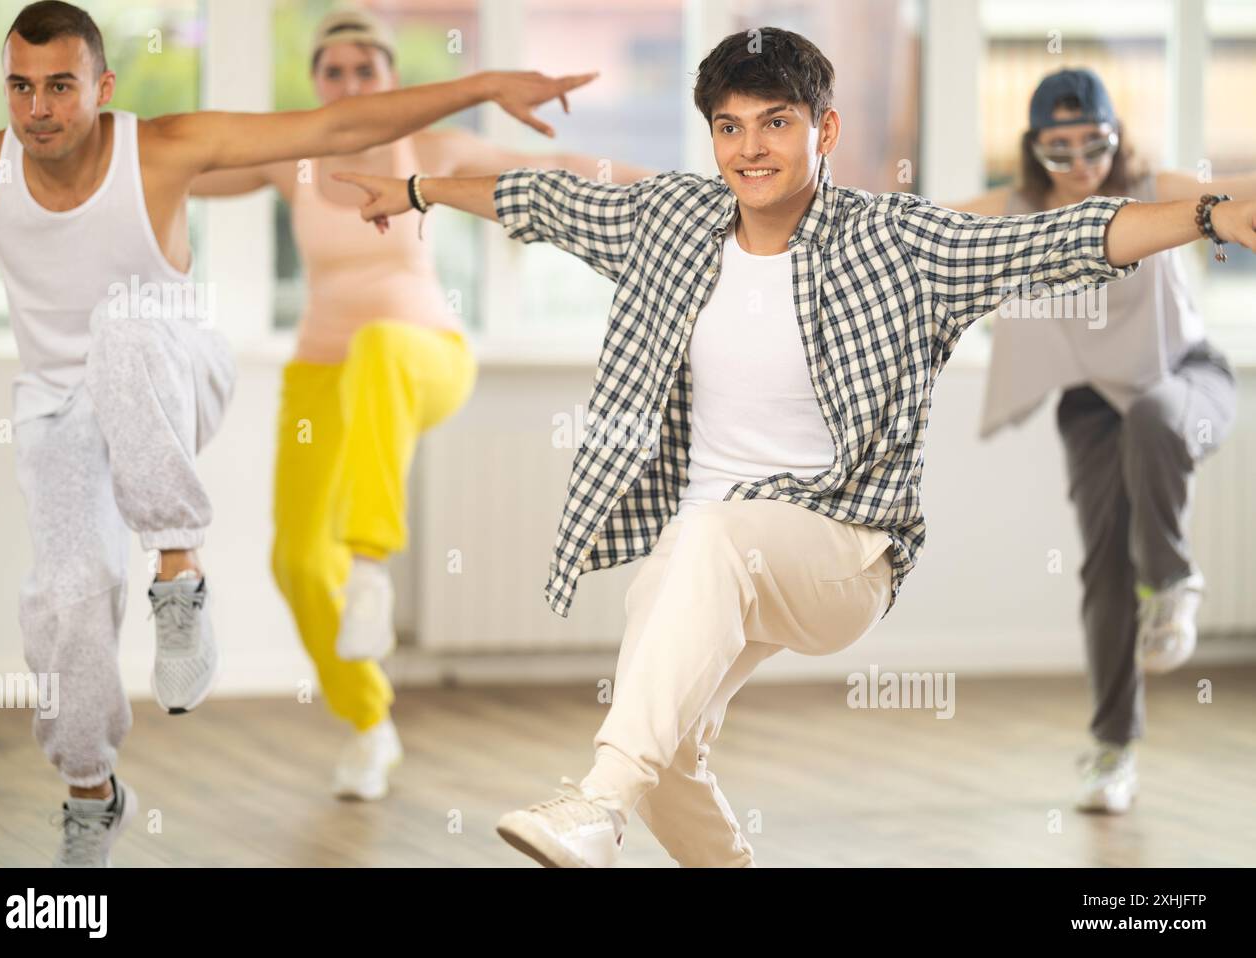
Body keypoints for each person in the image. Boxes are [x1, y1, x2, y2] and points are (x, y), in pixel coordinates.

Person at [339, 28, 1250, 867]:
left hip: (842, 553)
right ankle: (662, 820)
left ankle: (594, 804)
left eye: (775, 123)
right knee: (665, 743)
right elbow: (538, 197)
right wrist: (417, 191)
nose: (751, 149)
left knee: (698, 568)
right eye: (729, 128)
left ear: (825, 128)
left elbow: (1060, 236)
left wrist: (1208, 216)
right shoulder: (672, 224)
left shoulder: (894, 242)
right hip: (710, 554)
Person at [0, 0, 594, 867]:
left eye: (61, 87)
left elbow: (343, 125)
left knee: (123, 325)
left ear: (102, 89)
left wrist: (487, 82)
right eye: (22, 89)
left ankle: (180, 575)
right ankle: (90, 794)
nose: (39, 110)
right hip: (59, 411)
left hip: (171, 371)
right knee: (66, 602)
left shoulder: (167, 146)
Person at [189, 9, 651, 803]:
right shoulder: (291, 162)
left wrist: (712, 189)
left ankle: (371, 564)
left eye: (364, 71)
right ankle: (371, 725)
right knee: (296, 562)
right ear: (316, 86)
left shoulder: (427, 150)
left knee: (379, 347)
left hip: (425, 355)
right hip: (321, 380)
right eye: (333, 72)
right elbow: (183, 170)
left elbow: (559, 167)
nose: (349, 84)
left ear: (391, 81)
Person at [948, 68, 1251, 814]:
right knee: (1104, 569)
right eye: (1060, 148)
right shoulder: (1018, 209)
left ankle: (1174, 583)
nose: (1080, 162)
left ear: (1116, 140)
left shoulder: (1153, 187)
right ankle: (1113, 752)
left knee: (1153, 413)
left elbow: (1239, 187)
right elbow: (918, 218)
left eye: (1095, 143)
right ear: (1034, 147)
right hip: (1091, 408)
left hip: (1186, 381)